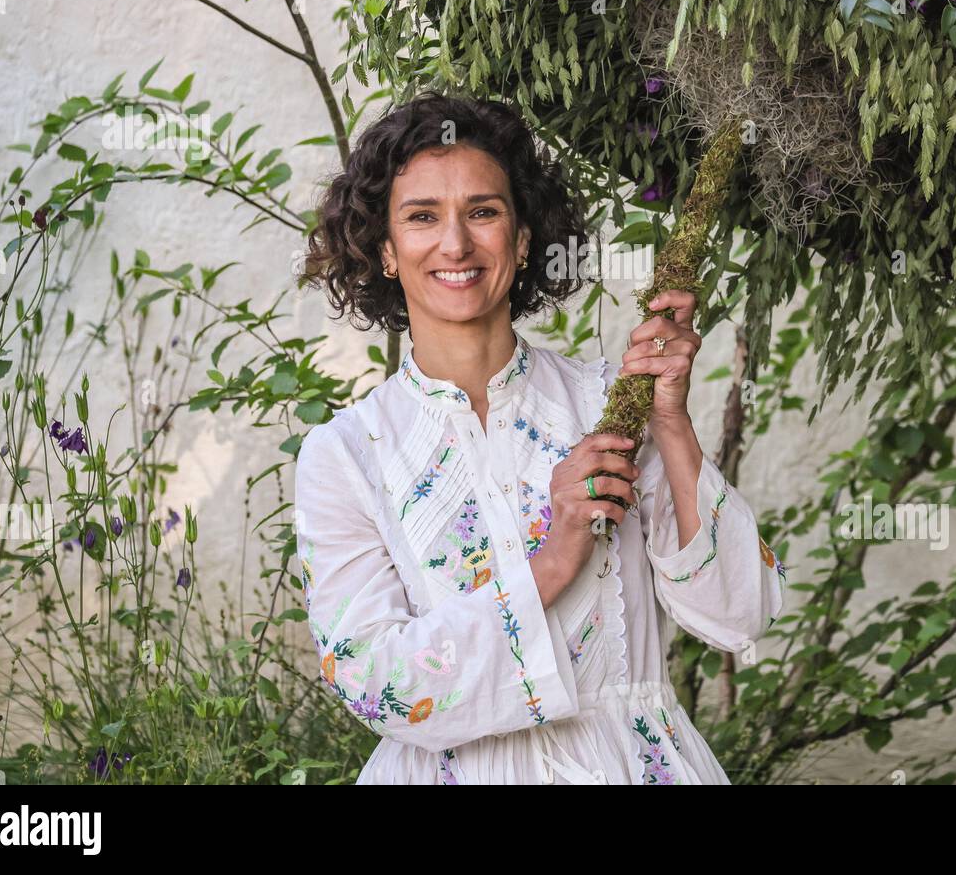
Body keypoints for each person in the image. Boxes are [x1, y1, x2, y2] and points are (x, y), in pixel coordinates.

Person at [296, 91, 786, 784]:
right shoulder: (346, 455)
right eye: (422, 217)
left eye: (484, 212)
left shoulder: (610, 405)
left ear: (523, 242)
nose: (456, 243)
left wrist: (670, 422)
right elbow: (375, 680)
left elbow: (744, 612)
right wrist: (553, 560)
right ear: (383, 249)